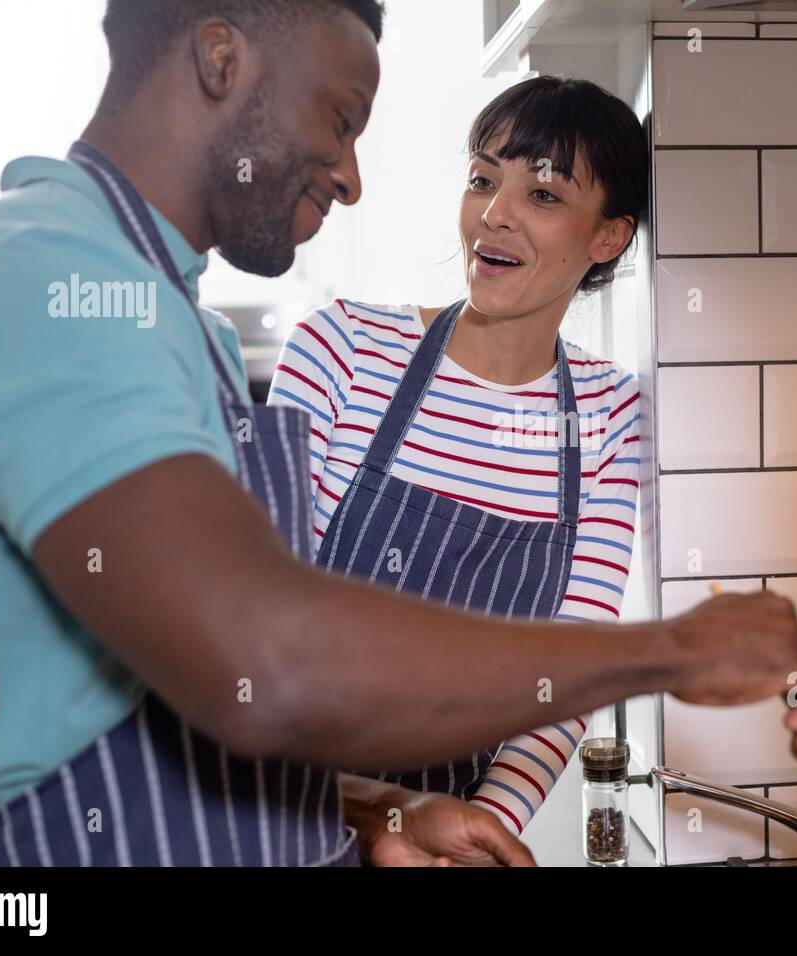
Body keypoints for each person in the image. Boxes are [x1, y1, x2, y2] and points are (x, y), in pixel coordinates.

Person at [0, 0, 797, 868]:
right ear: (221, 57)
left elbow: (183, 696)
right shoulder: (45, 278)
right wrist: (671, 651)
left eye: (544, 194)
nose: (352, 177)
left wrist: (381, 812)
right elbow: (261, 658)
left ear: (609, 236)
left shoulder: (179, 329)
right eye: (342, 119)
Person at [268, 76, 648, 835]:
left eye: (543, 196)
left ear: (607, 237)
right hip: (278, 815)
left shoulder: (608, 415)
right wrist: (386, 816)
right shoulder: (341, 349)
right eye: (482, 179)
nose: (495, 215)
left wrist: (479, 831)